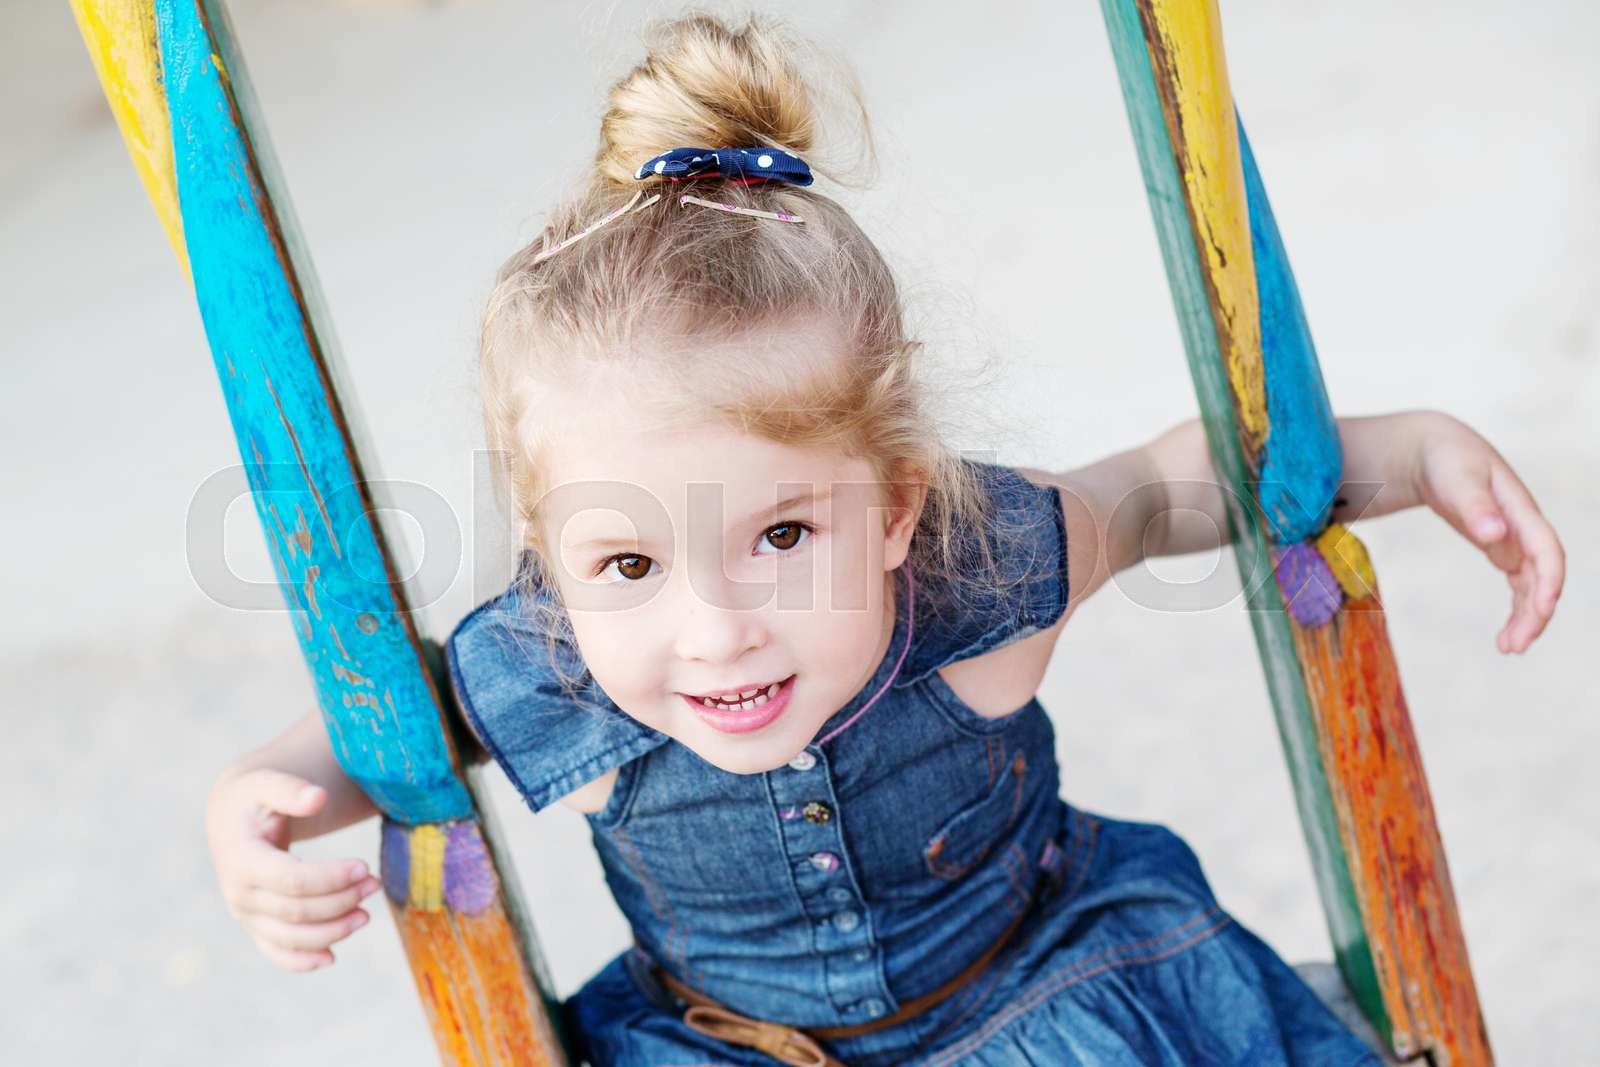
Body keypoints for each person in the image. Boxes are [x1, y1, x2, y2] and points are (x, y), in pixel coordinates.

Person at [203, 12, 1566, 1065]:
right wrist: (263, 799)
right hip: (723, 1037)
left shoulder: (987, 574)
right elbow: (397, 734)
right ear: (555, 565)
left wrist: (1412, 449)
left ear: (901, 502)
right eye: (630, 563)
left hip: (1041, 988)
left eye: (784, 533)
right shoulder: (563, 660)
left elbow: (1168, 484)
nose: (716, 625)